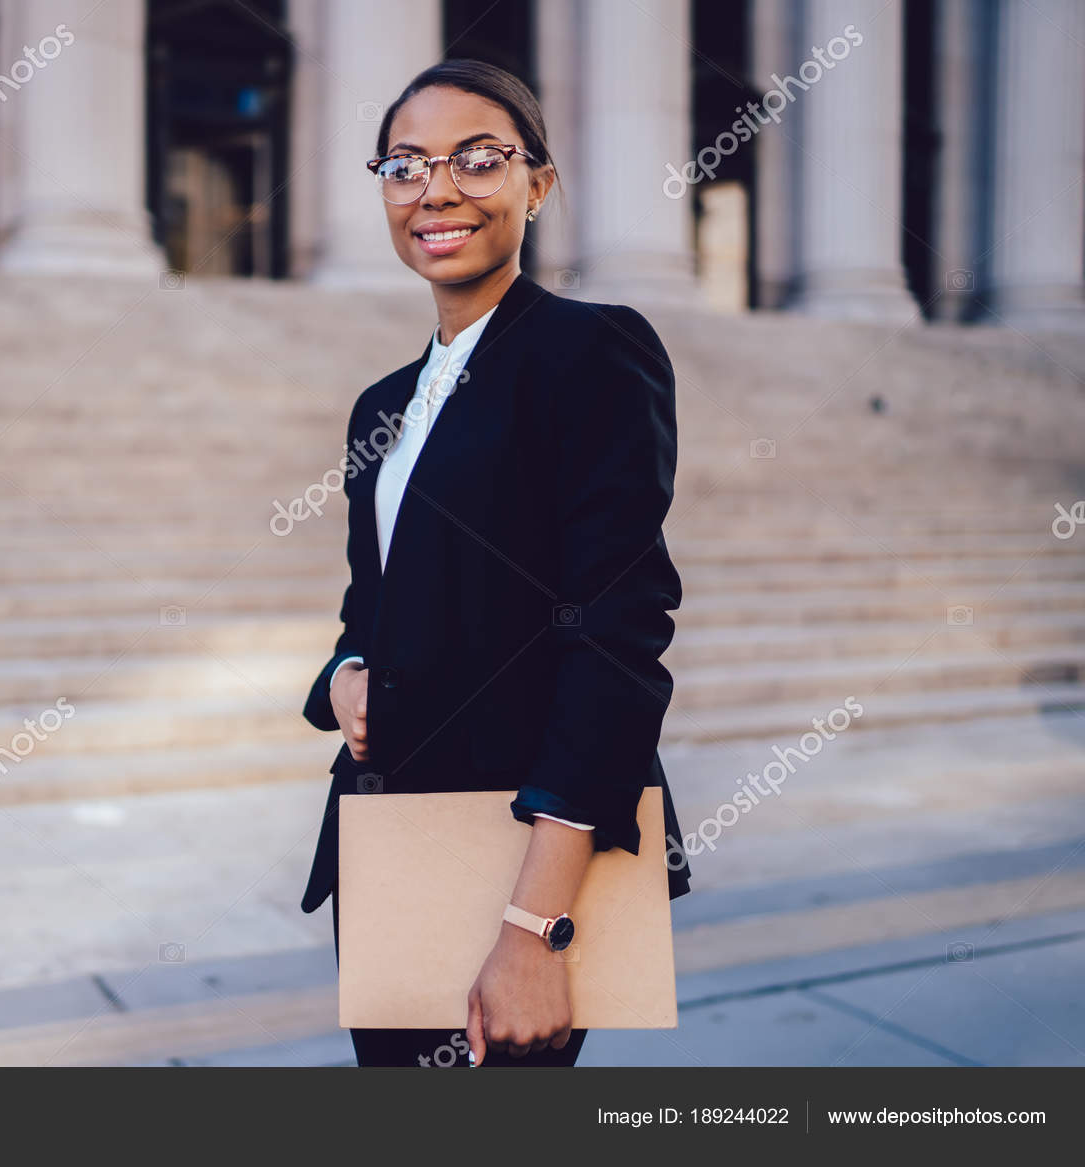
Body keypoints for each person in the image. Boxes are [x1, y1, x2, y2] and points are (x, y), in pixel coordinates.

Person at [298, 59, 693, 1068]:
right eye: (404, 166)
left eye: (478, 160)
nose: (436, 190)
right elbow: (368, 607)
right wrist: (342, 675)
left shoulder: (590, 353)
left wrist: (534, 931)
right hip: (393, 846)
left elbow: (617, 634)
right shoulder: (380, 406)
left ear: (538, 183)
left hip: (517, 865)